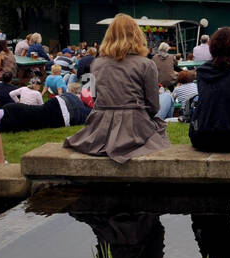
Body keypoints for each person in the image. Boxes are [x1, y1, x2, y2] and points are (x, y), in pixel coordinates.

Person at [64, 13, 169, 162]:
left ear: (109, 36)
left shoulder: (96, 64)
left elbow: (93, 98)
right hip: (134, 127)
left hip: (100, 126)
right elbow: (154, 106)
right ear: (137, 35)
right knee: (161, 123)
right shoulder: (146, 64)